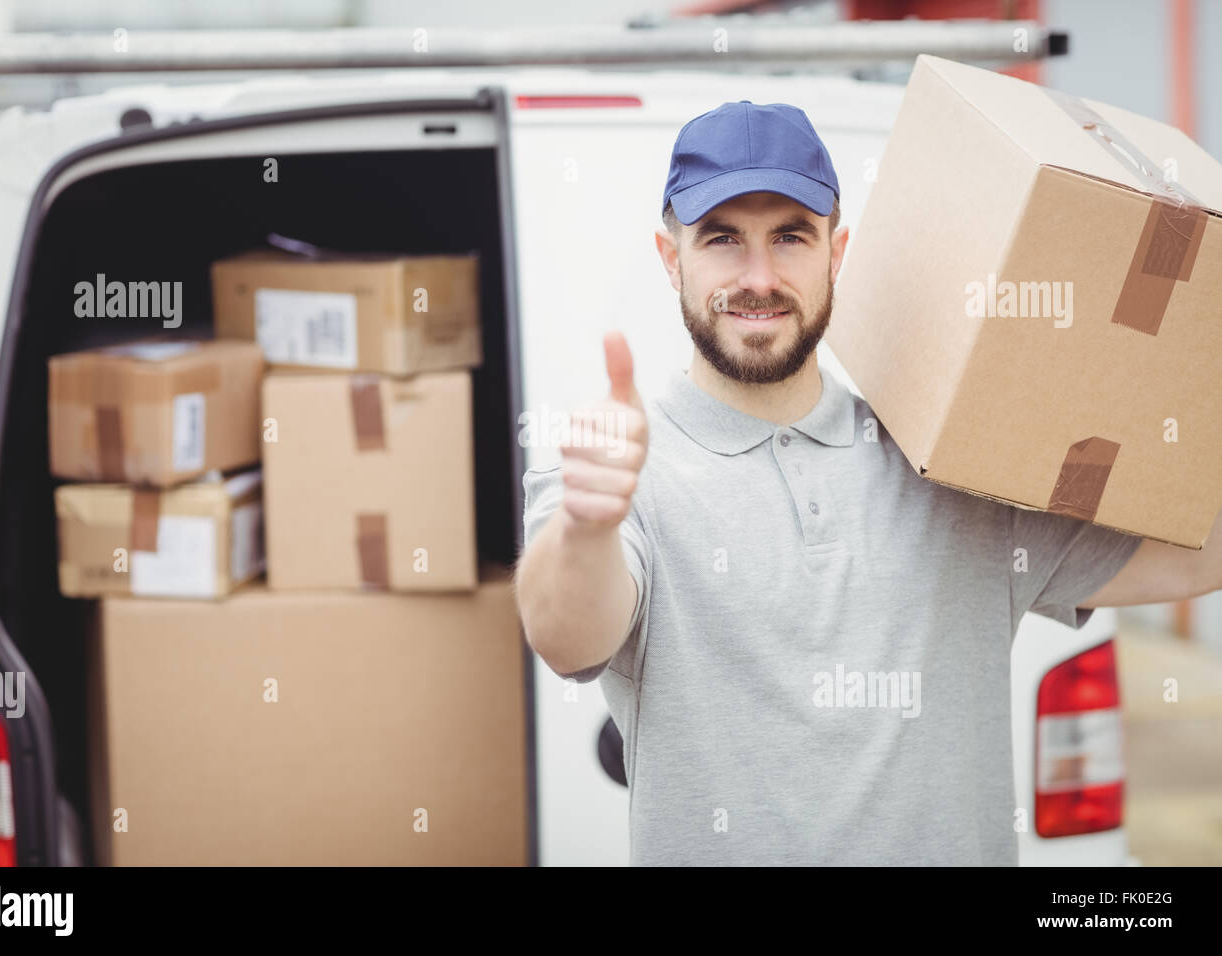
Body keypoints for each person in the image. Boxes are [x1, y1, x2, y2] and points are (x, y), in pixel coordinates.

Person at [512, 100, 1222, 866]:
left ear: (837, 252)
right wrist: (587, 526)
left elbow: (1193, 555)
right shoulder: (611, 472)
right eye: (722, 239)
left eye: (791, 236)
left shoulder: (953, 466)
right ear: (670, 256)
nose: (759, 277)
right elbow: (566, 639)